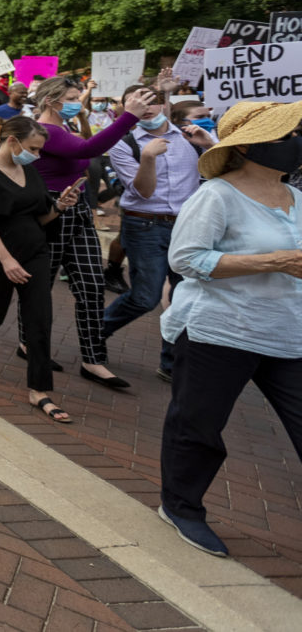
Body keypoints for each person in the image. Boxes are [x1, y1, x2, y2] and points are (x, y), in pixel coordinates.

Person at [156, 100, 302, 557]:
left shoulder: (299, 198)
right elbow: (185, 260)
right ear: (251, 147)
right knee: (198, 427)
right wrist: (275, 261)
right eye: (285, 137)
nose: (295, 144)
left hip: (288, 334)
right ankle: (180, 507)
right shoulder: (216, 196)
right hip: (219, 332)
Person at [0, 116, 83, 424]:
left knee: (39, 319)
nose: (37, 155)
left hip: (34, 252)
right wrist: (7, 260)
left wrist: (60, 206)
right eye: (34, 148)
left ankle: (40, 390)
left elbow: (39, 218)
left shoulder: (29, 171)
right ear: (12, 141)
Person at [33, 75, 158, 387]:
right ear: (51, 100)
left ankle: (93, 359)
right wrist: (127, 116)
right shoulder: (44, 130)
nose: (79, 101)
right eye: (73, 96)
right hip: (51, 211)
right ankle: (30, 346)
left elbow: (89, 148)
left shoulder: (65, 127)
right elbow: (90, 148)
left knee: (91, 286)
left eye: (80, 96)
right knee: (39, 289)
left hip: (77, 212)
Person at [102, 83, 211, 381]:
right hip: (145, 225)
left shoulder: (189, 136)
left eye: (151, 100)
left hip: (187, 225)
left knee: (184, 296)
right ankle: (95, 332)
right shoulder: (124, 142)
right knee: (145, 297)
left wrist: (209, 145)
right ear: (126, 108)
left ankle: (171, 363)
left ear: (164, 104)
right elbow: (144, 192)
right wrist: (148, 157)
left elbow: (225, 172)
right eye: (136, 101)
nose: (145, 107)